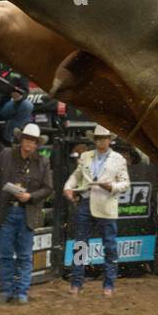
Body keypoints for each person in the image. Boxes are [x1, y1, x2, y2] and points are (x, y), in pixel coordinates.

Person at [62, 125, 130, 297]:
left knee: (109, 246)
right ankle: (76, 282)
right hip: (86, 201)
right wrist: (68, 187)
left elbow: (125, 184)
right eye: (98, 138)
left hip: (106, 204)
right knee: (80, 244)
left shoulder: (118, 159)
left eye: (104, 138)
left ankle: (109, 284)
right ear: (95, 140)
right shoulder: (86, 156)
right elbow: (76, 175)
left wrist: (111, 187)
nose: (101, 141)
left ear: (109, 140)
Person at [0, 123, 52, 305]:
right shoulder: (5, 155)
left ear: (37, 144)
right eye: (27, 139)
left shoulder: (42, 161)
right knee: (5, 254)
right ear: (21, 140)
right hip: (7, 210)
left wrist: (31, 196)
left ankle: (21, 291)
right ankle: (7, 289)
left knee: (25, 255)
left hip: (26, 211)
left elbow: (48, 188)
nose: (29, 143)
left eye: (33, 141)